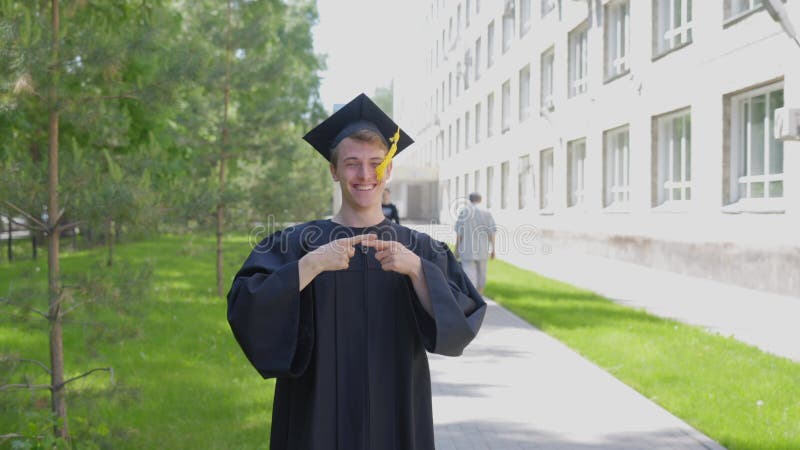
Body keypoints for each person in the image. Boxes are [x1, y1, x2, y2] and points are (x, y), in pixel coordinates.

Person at [226, 93, 486, 450]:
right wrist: (310, 265)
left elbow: (463, 321)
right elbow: (246, 307)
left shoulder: (422, 250)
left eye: (375, 163)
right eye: (351, 163)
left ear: (389, 169)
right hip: (315, 412)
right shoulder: (298, 244)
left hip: (395, 409)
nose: (365, 174)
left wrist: (418, 272)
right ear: (334, 170)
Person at [454, 192, 496, 295]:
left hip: (467, 250)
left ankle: (472, 298)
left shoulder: (464, 212)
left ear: (470, 200)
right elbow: (492, 233)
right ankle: (479, 296)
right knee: (482, 276)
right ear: (480, 200)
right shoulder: (487, 213)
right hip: (482, 250)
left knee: (469, 276)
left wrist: (456, 250)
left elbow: (459, 234)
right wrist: (493, 249)